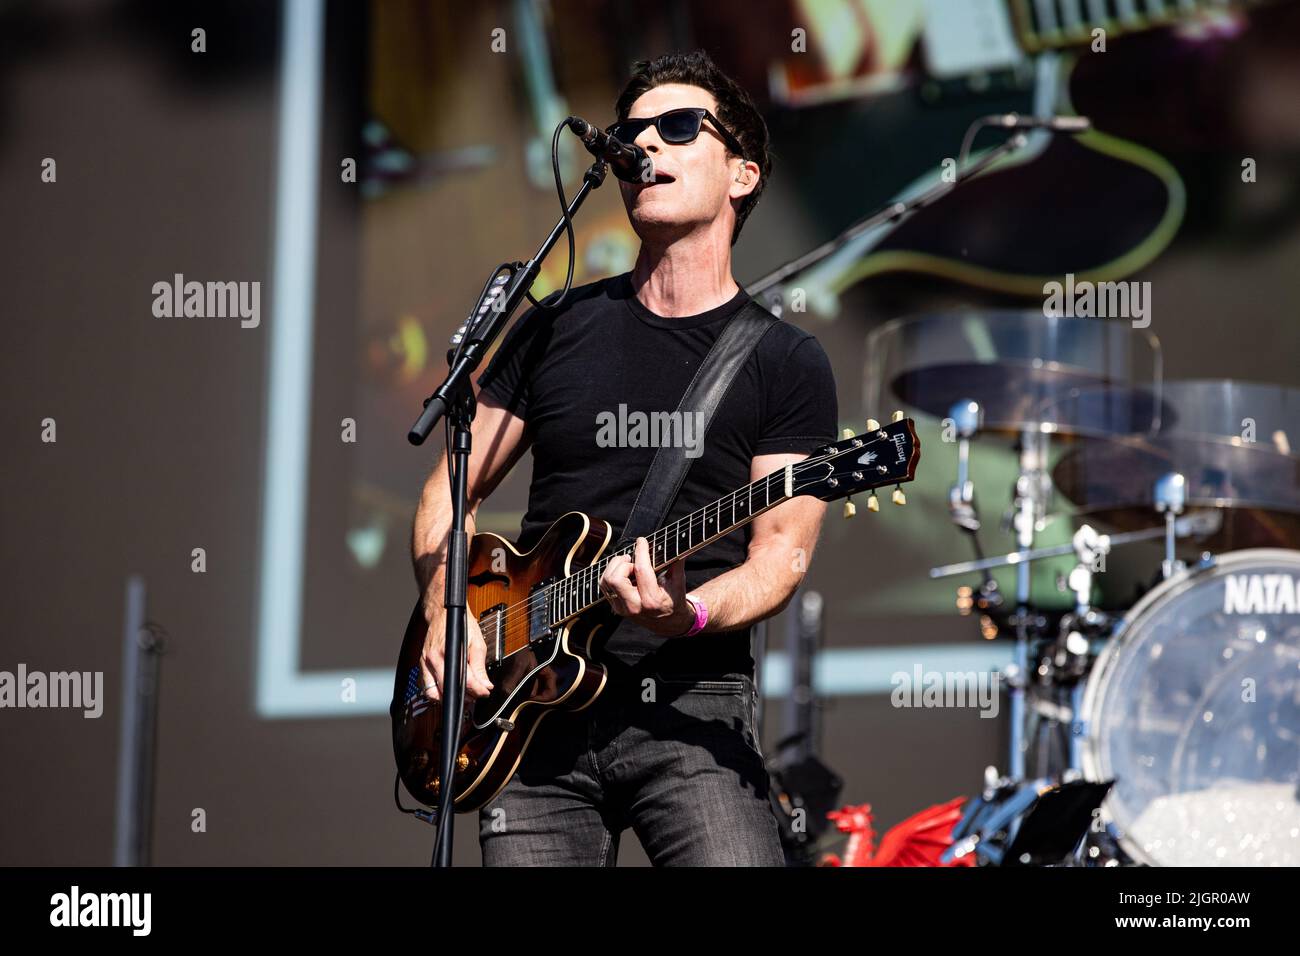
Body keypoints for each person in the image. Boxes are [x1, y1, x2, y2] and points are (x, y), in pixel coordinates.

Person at [411, 49, 837, 865]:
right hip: (530, 711)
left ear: (741, 175)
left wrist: (689, 613)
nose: (647, 145)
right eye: (631, 132)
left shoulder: (783, 360)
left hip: (692, 707)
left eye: (678, 128)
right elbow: (448, 490)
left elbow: (780, 553)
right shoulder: (553, 326)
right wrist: (446, 606)